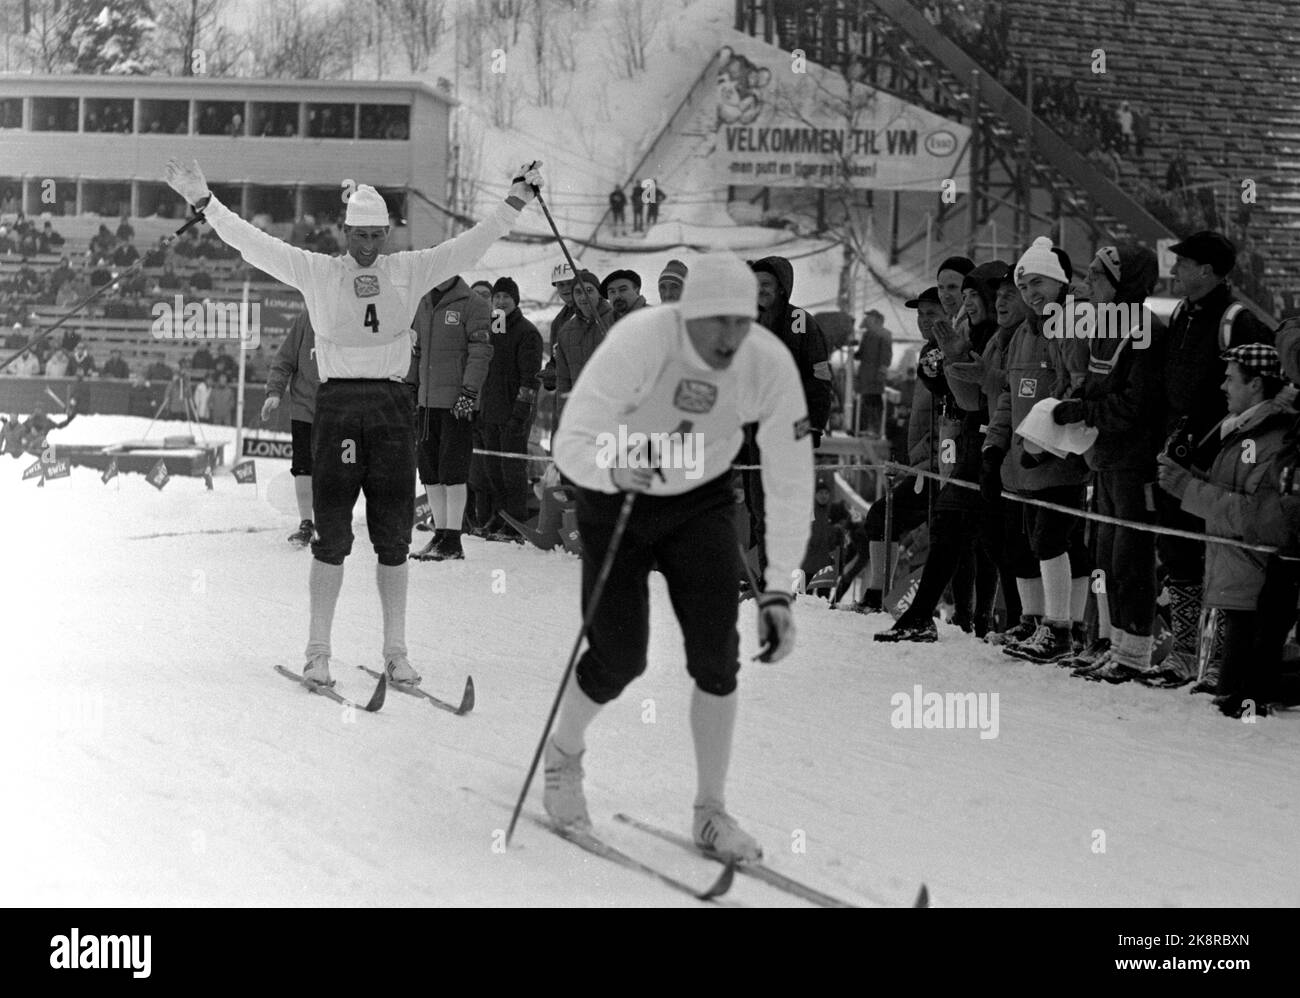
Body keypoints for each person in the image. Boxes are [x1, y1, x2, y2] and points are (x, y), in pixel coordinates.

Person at [165, 156, 544, 690]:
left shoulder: (409, 268)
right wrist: (206, 204)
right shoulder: (319, 271)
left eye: (376, 235)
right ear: (344, 233)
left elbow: (471, 245)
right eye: (358, 235)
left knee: (393, 537)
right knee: (333, 535)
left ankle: (396, 652)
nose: (367, 245)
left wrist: (517, 199)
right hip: (338, 409)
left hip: (392, 411)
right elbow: (254, 243)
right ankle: (317, 652)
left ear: (387, 232)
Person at [546, 252, 813, 860]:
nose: (729, 338)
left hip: (700, 499)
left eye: (742, 322)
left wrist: (779, 587)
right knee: (620, 657)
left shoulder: (765, 362)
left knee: (718, 656)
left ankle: (711, 811)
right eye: (715, 322)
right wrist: (613, 468)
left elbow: (791, 477)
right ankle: (563, 755)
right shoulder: (640, 339)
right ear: (685, 314)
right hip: (619, 495)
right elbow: (571, 441)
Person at [1152, 230, 1272, 686]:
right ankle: (1183, 654)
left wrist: (1216, 444)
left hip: (1217, 465)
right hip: (1176, 460)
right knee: (1176, 555)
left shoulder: (1236, 319)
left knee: (1220, 563)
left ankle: (1219, 661)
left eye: (1183, 263)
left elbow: (1255, 393)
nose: (1176, 268)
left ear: (1206, 270)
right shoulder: (1183, 312)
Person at [1052, 246, 1167, 680]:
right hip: (1105, 457)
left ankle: (1135, 652)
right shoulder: (1107, 326)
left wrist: (1085, 412)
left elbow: (1138, 405)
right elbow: (1101, 392)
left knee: (1130, 558)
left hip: (1133, 461)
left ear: (1123, 284)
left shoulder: (1145, 331)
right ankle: (1115, 644)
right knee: (1105, 555)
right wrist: (1075, 404)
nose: (1089, 283)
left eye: (1099, 276)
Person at [1158, 345, 1292, 717]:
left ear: (1256, 384)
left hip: (1254, 584)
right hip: (1239, 584)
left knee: (1244, 704)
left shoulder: (1267, 439)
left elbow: (1255, 516)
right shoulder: (1244, 433)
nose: (1223, 387)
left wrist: (1187, 488)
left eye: (1231, 378)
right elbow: (1234, 494)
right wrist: (1185, 478)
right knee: (1231, 701)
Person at [408, 274, 493, 562]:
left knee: (453, 470)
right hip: (427, 402)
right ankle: (440, 533)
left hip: (457, 403)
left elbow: (480, 351)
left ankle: (454, 537)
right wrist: (410, 387)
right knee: (430, 471)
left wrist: (469, 392)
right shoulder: (422, 302)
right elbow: (415, 351)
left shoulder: (474, 303)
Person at [476, 277, 544, 536]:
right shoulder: (489, 330)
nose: (501, 301)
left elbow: (530, 377)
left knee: (512, 471)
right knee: (492, 470)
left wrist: (521, 411)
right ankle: (499, 515)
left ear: (515, 301)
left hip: (514, 413)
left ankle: (516, 522)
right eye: (497, 297)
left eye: (506, 297)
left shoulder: (526, 332)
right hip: (489, 411)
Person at [263, 311, 321, 547]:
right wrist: (274, 393)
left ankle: (333, 520)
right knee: (303, 467)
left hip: (339, 410)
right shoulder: (305, 320)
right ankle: (306, 522)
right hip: (304, 409)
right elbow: (283, 361)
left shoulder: (348, 314)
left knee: (339, 469)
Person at [554, 269, 614, 405]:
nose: (583, 297)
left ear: (599, 293)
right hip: (583, 412)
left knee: (623, 427)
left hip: (616, 410)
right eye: (578, 292)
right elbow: (564, 382)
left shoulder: (616, 321)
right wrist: (564, 419)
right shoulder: (566, 331)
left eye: (589, 290)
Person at [854, 309, 892, 434]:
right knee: (867, 401)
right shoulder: (867, 334)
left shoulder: (884, 333)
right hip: (866, 375)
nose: (866, 319)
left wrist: (882, 372)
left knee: (874, 402)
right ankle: (869, 427)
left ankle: (875, 429)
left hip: (875, 375)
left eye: (869, 317)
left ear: (875, 319)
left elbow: (886, 355)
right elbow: (861, 353)